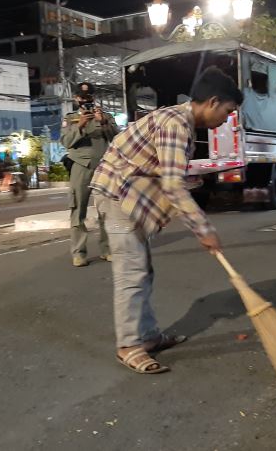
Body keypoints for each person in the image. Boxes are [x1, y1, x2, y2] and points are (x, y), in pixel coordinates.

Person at [90, 67, 242, 374]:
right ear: (212, 102)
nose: (227, 119)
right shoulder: (175, 124)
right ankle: (129, 346)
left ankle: (147, 336)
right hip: (118, 196)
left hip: (128, 195)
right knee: (132, 271)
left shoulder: (180, 121)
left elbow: (166, 174)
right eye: (228, 112)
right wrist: (203, 229)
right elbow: (172, 185)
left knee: (142, 270)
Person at [60, 82, 120, 267]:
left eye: (89, 97)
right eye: (83, 97)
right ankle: (79, 253)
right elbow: (65, 141)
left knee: (106, 211)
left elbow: (117, 138)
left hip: (103, 166)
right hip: (81, 166)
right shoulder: (70, 118)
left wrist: (102, 122)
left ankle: (107, 249)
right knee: (78, 210)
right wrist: (81, 125)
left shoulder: (106, 116)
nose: (86, 100)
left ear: (94, 97)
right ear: (77, 98)